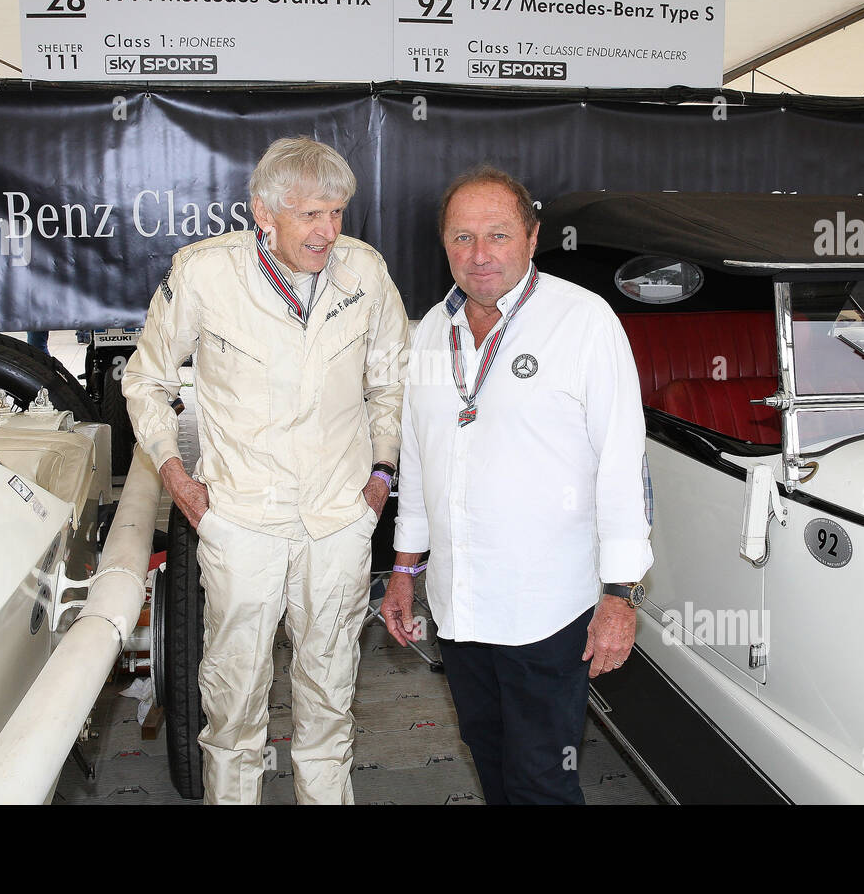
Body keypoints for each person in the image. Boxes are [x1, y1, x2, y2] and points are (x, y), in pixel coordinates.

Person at [122, 137, 409, 805]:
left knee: (329, 704)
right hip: (243, 523)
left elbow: (391, 383)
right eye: (309, 215)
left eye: (336, 213)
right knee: (234, 711)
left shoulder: (365, 272)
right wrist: (176, 477)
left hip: (339, 522)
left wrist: (381, 477)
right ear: (263, 212)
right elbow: (145, 382)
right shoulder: (202, 274)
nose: (327, 231)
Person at [382, 166, 653, 805]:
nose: (480, 255)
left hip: (548, 610)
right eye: (462, 237)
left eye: (498, 235)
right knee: (491, 761)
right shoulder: (428, 334)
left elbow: (623, 465)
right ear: (443, 244)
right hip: (460, 607)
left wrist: (621, 595)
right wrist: (404, 570)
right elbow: (419, 463)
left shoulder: (583, 323)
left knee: (541, 781)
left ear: (532, 238)